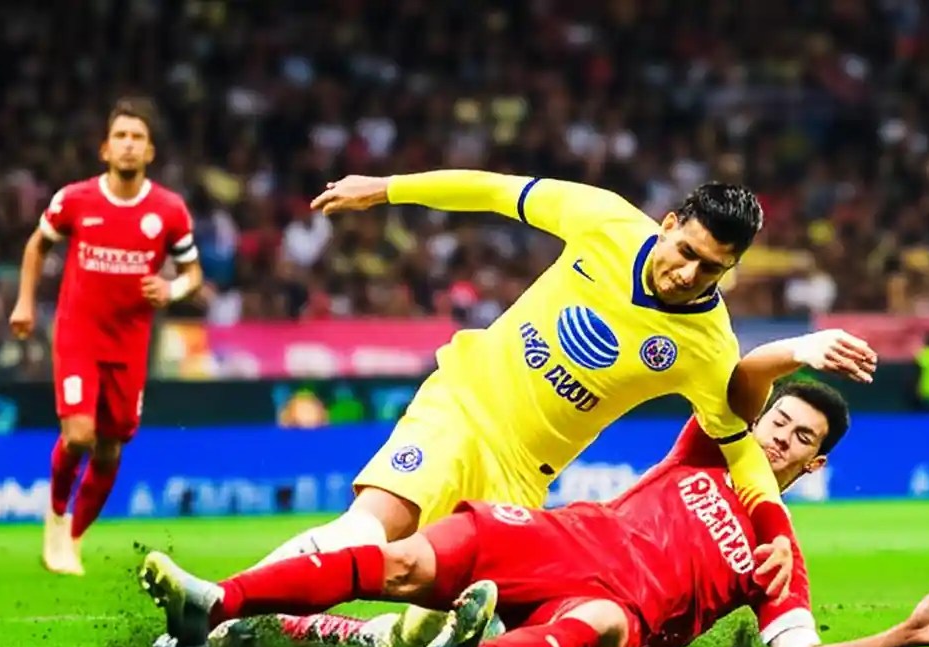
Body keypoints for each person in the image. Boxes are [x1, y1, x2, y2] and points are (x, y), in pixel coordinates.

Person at [140, 345, 929, 647]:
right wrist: (798, 353)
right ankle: (221, 603)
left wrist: (894, 638)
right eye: (777, 421)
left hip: (617, 605)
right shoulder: (712, 447)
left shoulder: (778, 556)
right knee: (399, 567)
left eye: (798, 437)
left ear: (815, 462)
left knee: (602, 626)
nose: (777, 438)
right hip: (562, 537)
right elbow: (740, 380)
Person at [253, 171, 877, 585]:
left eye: (711, 270)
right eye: (685, 251)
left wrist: (773, 533)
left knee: (438, 592)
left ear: (731, 270)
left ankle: (298, 628)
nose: (689, 273)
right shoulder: (602, 219)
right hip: (465, 404)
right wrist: (385, 189)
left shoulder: (708, 346)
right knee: (372, 524)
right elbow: (493, 191)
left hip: (524, 476)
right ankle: (219, 607)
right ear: (667, 224)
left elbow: (739, 451)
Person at [8, 98, 203, 575]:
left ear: (150, 151)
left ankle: (72, 538)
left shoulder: (169, 211)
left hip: (130, 343)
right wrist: (25, 302)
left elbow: (193, 272)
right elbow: (37, 245)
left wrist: (172, 287)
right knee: (79, 435)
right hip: (78, 333)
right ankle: (55, 519)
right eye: (121, 136)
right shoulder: (75, 200)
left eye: (137, 137)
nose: (129, 145)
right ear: (104, 148)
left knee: (112, 447)